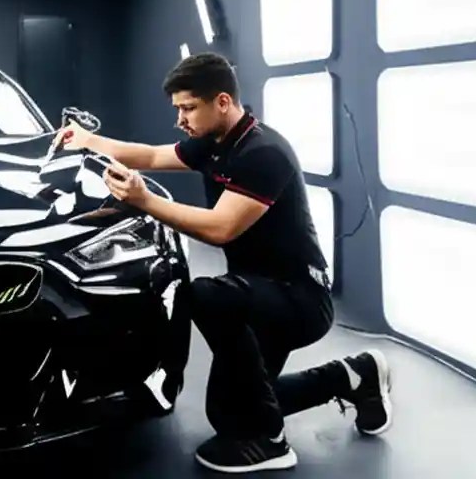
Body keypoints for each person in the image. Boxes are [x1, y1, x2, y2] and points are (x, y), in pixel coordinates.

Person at [52, 52, 392, 473]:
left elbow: (220, 229)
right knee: (230, 413)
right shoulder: (214, 143)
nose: (181, 119)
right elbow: (153, 156)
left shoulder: (263, 152)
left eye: (189, 108)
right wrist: (89, 141)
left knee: (205, 296)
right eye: (178, 108)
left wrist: (144, 201)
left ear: (223, 102)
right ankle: (353, 375)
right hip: (255, 293)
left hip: (298, 301)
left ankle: (270, 442)